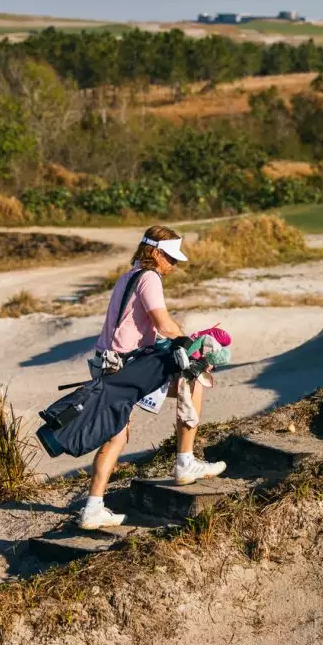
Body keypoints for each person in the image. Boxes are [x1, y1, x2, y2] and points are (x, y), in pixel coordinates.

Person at [80, 224, 227, 531]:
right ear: (156, 254)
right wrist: (190, 344)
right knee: (194, 378)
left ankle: (93, 508)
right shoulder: (150, 277)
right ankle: (184, 463)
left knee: (117, 435)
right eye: (171, 259)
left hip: (109, 363)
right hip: (124, 368)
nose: (174, 265)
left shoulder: (129, 275)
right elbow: (163, 322)